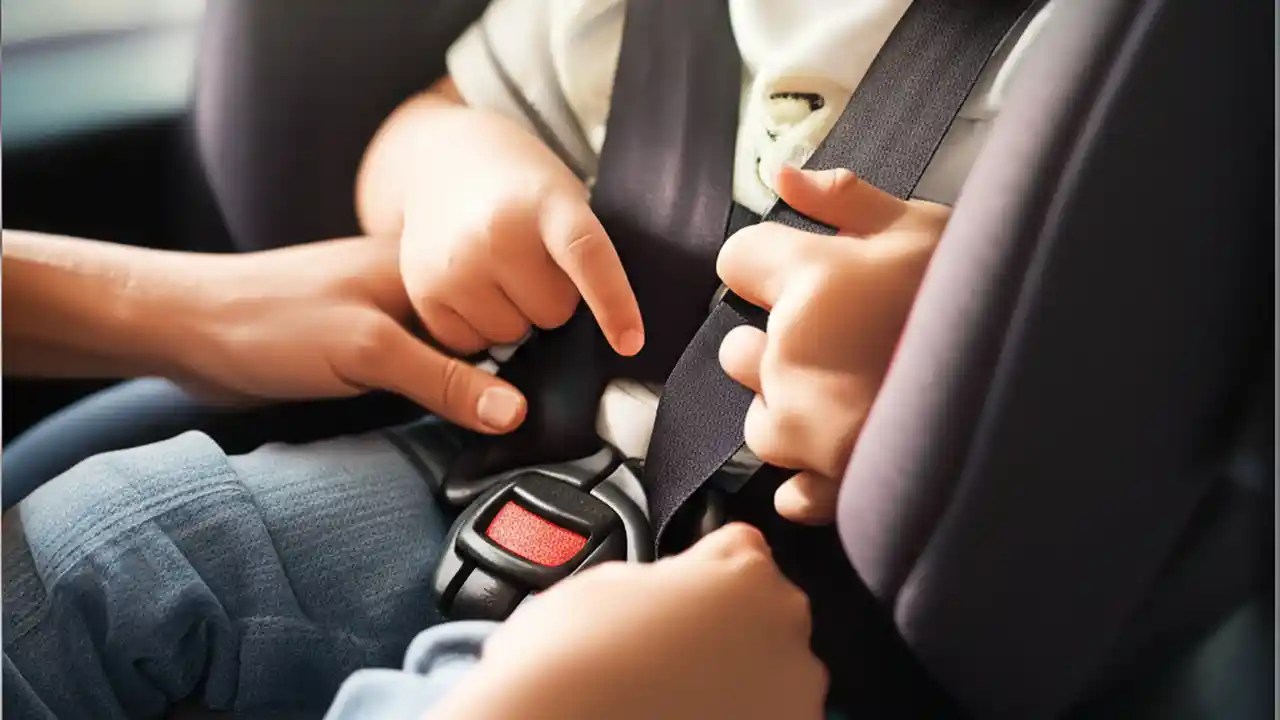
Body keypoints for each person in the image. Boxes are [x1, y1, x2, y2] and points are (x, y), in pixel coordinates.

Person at [3, 0, 1055, 716]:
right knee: (99, 539)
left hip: (789, 584)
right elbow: (434, 123)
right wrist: (456, 177)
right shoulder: (607, 18)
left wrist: (962, 342)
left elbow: (1130, 372)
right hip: (496, 456)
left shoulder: (1081, 67)